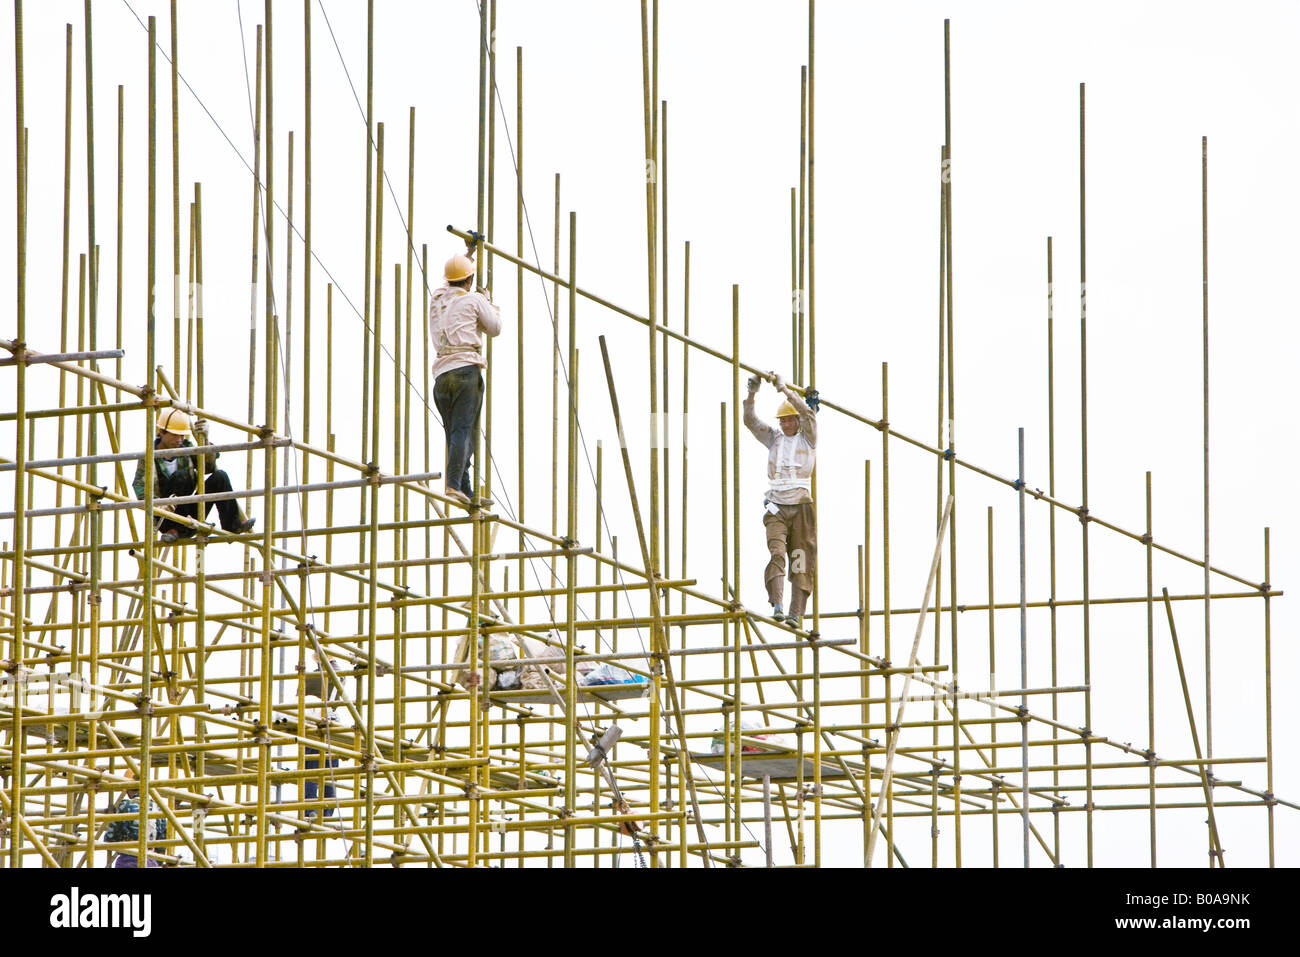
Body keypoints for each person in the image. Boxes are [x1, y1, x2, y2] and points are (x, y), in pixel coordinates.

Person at [428, 239, 501, 507]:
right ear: (469, 281)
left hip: (441, 375)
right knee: (463, 430)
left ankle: (465, 490)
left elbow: (450, 280)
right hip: (465, 371)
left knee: (456, 433)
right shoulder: (474, 299)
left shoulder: (437, 299)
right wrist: (488, 300)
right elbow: (494, 328)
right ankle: (454, 484)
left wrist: (468, 255)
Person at [743, 372, 818, 629]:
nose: (785, 425)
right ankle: (776, 603)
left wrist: (785, 390)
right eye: (782, 421)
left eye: (789, 420)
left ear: (796, 421)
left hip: (801, 507)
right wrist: (752, 393)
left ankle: (795, 613)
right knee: (776, 552)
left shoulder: (807, 438)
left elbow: (808, 414)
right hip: (776, 507)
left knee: (799, 558)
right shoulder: (774, 438)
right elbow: (750, 421)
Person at [132, 408, 256, 543]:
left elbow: (208, 467)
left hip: (191, 515)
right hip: (167, 519)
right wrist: (158, 505)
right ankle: (175, 528)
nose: (180, 439)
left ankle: (233, 525)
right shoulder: (149, 456)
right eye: (176, 435)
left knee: (220, 476)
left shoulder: (186, 448)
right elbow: (139, 486)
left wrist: (206, 441)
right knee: (182, 476)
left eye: (182, 435)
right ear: (162, 432)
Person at [104, 769, 168, 868]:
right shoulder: (159, 809)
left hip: (129, 861)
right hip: (151, 861)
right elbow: (162, 845)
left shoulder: (125, 805)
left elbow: (110, 838)